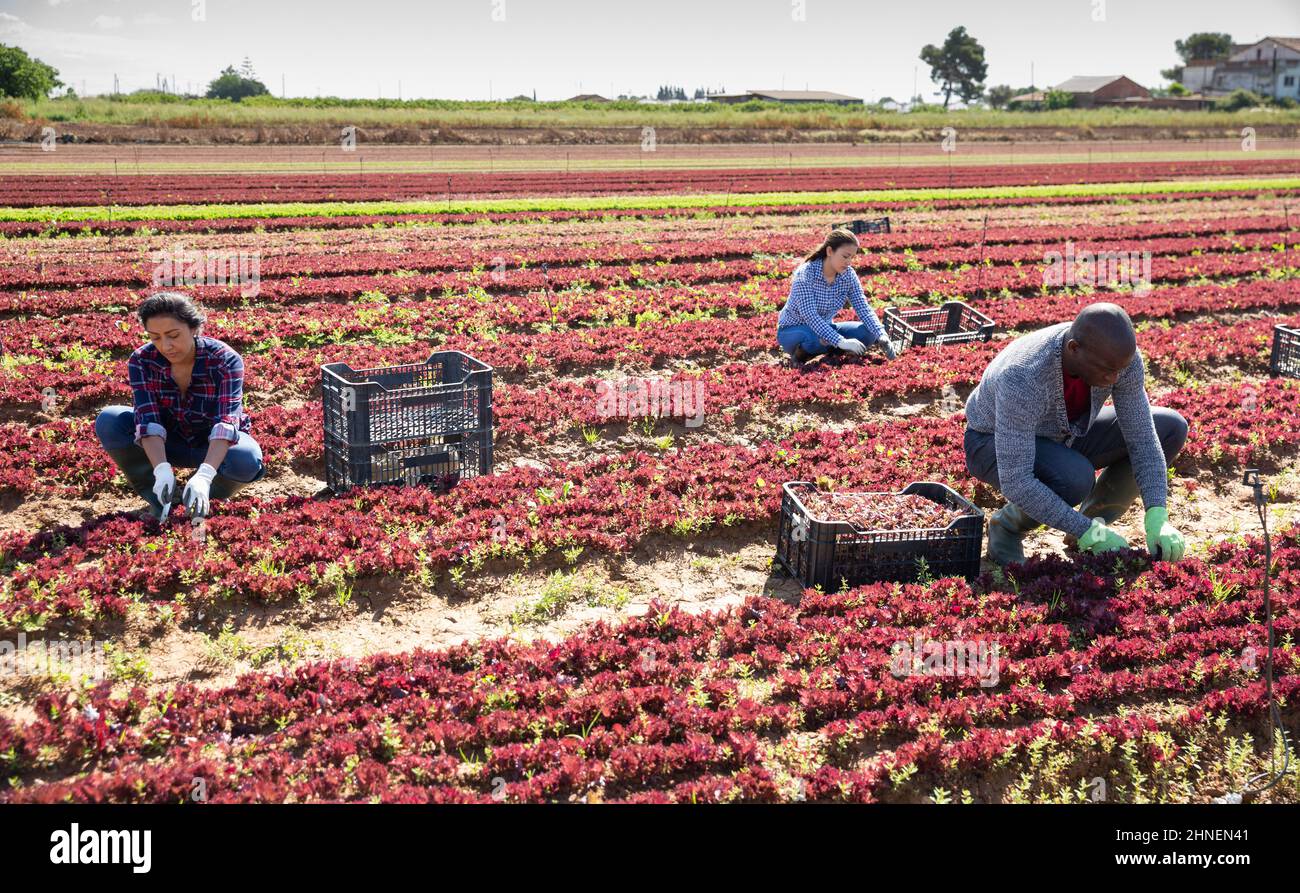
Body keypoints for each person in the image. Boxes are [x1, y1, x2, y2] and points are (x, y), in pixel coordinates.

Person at [963, 302, 1188, 566]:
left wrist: (1157, 515)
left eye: (1119, 370)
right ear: (1073, 349)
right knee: (1074, 479)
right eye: (1107, 371)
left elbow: (1143, 439)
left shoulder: (1117, 360)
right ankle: (1008, 527)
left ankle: (1094, 521)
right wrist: (1088, 532)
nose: (1116, 378)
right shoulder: (1024, 376)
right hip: (990, 442)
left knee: (1170, 427)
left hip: (1065, 434)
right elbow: (1018, 481)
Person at [94, 292, 266, 521]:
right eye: (155, 337)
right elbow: (147, 419)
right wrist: (161, 469)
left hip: (212, 447)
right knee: (110, 420)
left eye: (173, 335)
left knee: (247, 458)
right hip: (169, 443)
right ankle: (159, 498)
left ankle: (201, 500)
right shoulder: (142, 360)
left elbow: (227, 422)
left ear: (194, 328)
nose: (165, 346)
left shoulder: (224, 359)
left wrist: (204, 475)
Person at [776, 228, 897, 365]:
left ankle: (828, 351)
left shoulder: (848, 275)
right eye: (845, 256)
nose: (848, 262)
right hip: (793, 330)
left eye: (852, 257)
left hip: (825, 328)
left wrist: (881, 334)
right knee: (817, 337)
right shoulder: (805, 274)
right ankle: (800, 356)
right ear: (829, 251)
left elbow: (863, 307)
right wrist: (842, 341)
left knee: (868, 333)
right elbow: (809, 315)